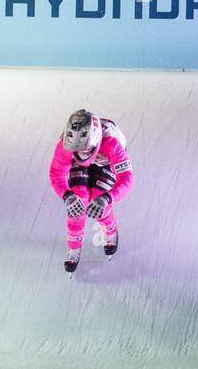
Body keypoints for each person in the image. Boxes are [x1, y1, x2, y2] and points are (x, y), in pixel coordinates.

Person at [48, 109, 134, 273]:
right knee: (77, 204)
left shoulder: (112, 143)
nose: (81, 154)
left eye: (85, 150)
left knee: (98, 201)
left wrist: (107, 198)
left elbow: (127, 179)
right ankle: (74, 247)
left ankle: (111, 229)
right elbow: (57, 173)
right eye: (76, 151)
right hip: (99, 153)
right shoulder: (65, 145)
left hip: (106, 161)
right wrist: (66, 195)